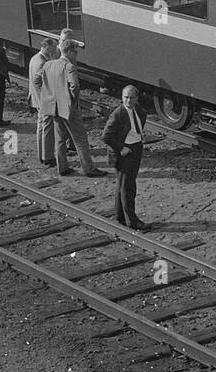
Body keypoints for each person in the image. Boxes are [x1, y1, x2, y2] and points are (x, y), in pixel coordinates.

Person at [42, 40, 102, 177]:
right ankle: (89, 169)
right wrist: (73, 100)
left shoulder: (48, 65)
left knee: (60, 139)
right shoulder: (69, 67)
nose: (76, 55)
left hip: (54, 107)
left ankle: (62, 168)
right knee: (80, 139)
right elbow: (74, 86)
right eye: (75, 52)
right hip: (68, 108)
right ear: (68, 52)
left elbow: (43, 83)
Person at [102, 85, 150, 230]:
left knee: (122, 186)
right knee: (128, 187)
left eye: (132, 98)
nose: (128, 101)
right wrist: (121, 148)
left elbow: (137, 126)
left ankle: (120, 216)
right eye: (125, 98)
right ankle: (132, 222)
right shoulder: (117, 114)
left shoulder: (139, 111)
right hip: (124, 152)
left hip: (135, 148)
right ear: (122, 98)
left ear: (136, 99)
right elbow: (106, 136)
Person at [27, 38, 59, 168]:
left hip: (36, 98)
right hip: (43, 101)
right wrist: (46, 99)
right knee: (47, 128)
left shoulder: (34, 58)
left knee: (41, 127)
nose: (55, 51)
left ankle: (42, 155)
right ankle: (48, 157)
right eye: (53, 48)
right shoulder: (42, 63)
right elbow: (38, 82)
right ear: (47, 47)